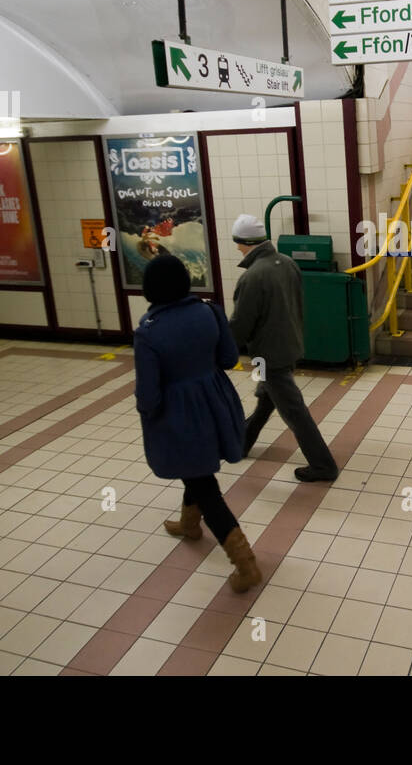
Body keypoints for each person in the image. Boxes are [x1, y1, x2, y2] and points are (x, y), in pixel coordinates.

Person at [133, 254, 261, 593]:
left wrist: (149, 415)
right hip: (216, 402)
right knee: (198, 470)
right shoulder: (208, 311)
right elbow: (229, 358)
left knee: (204, 484)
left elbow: (148, 395)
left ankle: (245, 563)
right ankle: (190, 524)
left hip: (179, 416)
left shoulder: (149, 331)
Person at [228, 213, 339, 482]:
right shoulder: (287, 263)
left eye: (238, 243)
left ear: (244, 242)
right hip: (290, 345)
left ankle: (323, 465)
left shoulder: (253, 277)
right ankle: (241, 443)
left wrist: (223, 350)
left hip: (269, 355)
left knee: (294, 411)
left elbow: (241, 325)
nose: (238, 248)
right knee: (267, 399)